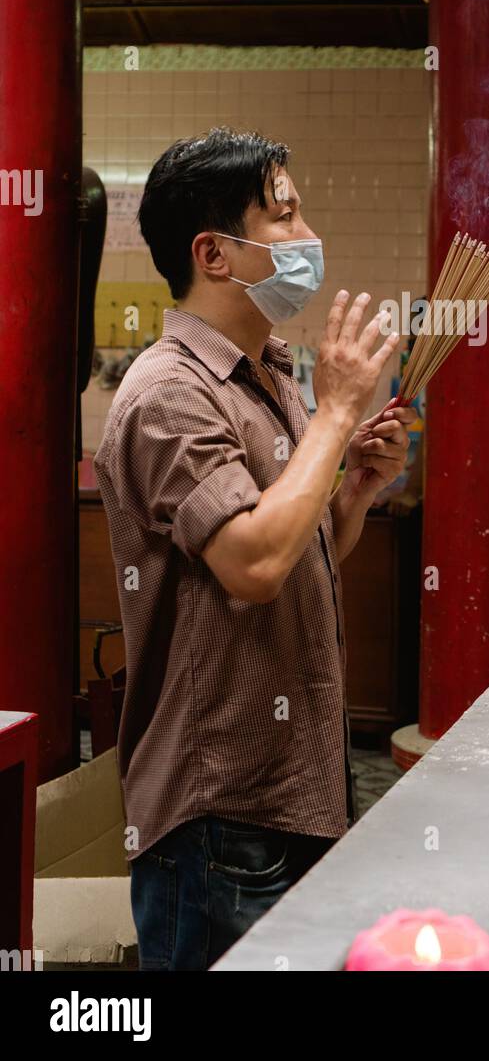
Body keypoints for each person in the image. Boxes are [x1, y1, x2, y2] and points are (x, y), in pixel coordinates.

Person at [93, 127, 415, 970]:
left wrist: (353, 492)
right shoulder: (168, 393)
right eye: (284, 217)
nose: (307, 238)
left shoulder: (268, 372)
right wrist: (340, 414)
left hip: (296, 786)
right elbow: (255, 566)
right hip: (220, 810)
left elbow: (303, 552)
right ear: (215, 253)